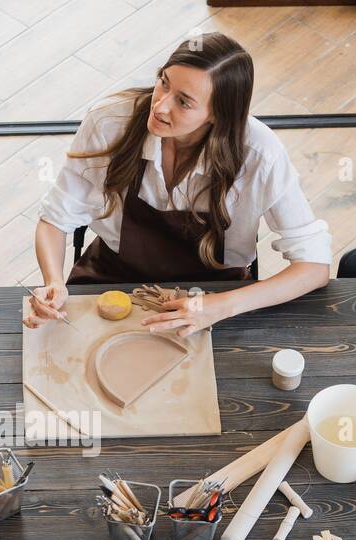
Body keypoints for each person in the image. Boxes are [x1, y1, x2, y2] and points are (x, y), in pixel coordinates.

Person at [26, 32, 330, 334]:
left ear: (218, 116)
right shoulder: (110, 121)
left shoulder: (260, 155)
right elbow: (55, 219)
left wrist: (221, 306)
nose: (159, 106)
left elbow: (314, 267)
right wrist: (53, 282)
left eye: (183, 102)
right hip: (112, 278)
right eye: (163, 82)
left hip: (212, 294)